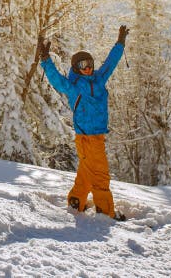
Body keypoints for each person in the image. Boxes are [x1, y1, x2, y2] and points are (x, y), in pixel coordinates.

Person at [38, 26, 129, 221]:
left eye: (89, 64)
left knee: (87, 173)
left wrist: (120, 43)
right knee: (100, 174)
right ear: (75, 68)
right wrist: (45, 59)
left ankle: (76, 201)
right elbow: (55, 80)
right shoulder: (73, 87)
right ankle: (105, 212)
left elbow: (111, 63)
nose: (87, 68)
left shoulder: (99, 79)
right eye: (82, 65)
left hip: (97, 136)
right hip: (87, 138)